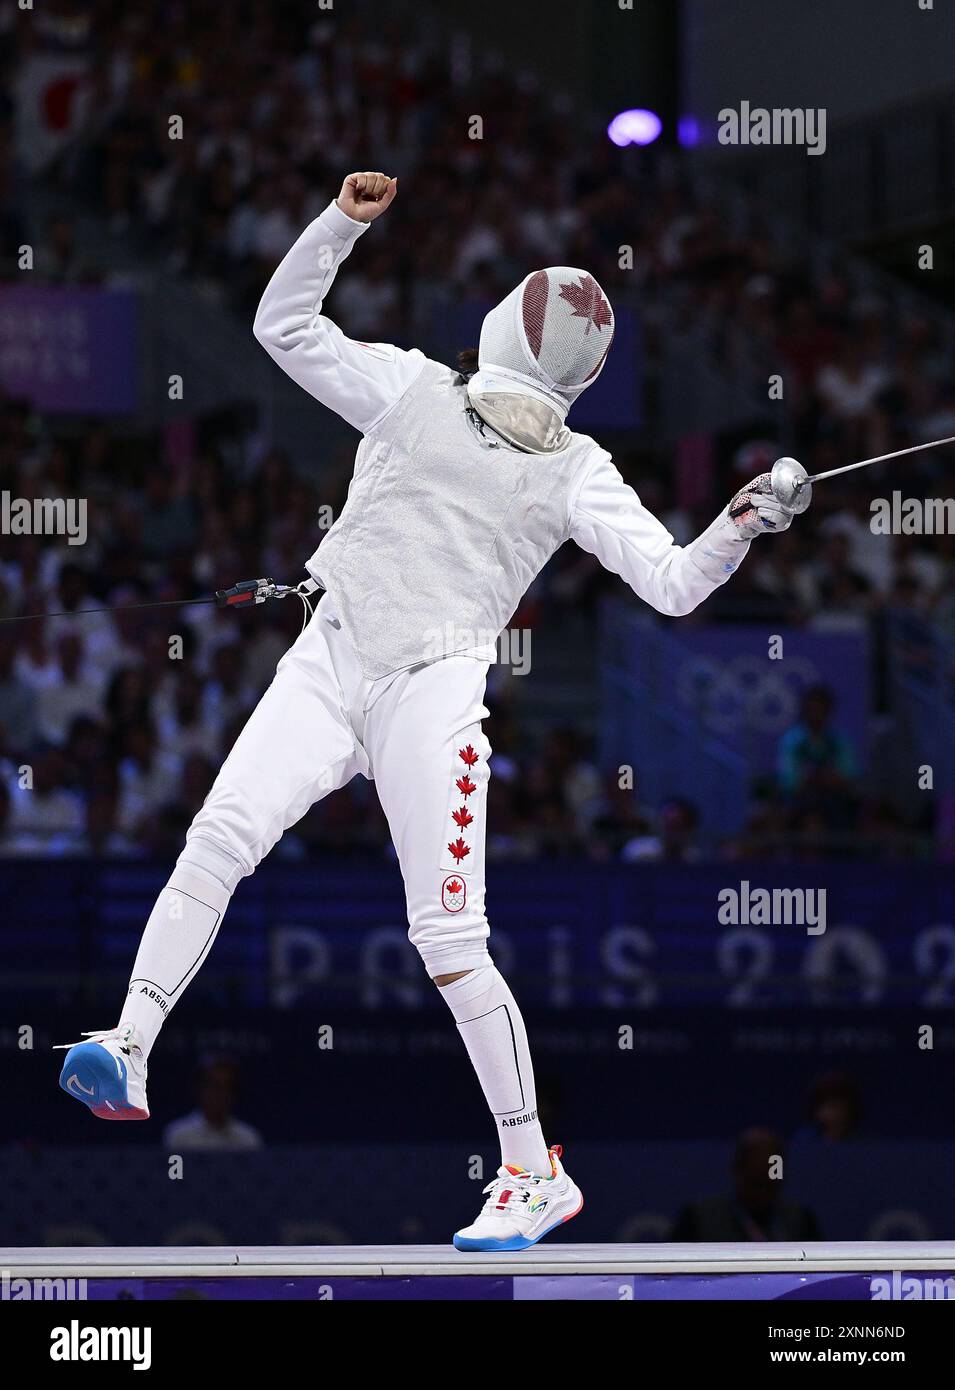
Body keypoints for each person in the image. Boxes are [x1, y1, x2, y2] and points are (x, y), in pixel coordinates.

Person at [57, 171, 798, 1251]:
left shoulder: (570, 466)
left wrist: (739, 519)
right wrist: (339, 224)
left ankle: (531, 1166)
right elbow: (284, 327)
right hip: (331, 657)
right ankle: (128, 1041)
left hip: (434, 693)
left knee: (447, 936)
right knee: (217, 837)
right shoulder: (414, 391)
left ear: (506, 326)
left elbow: (677, 580)